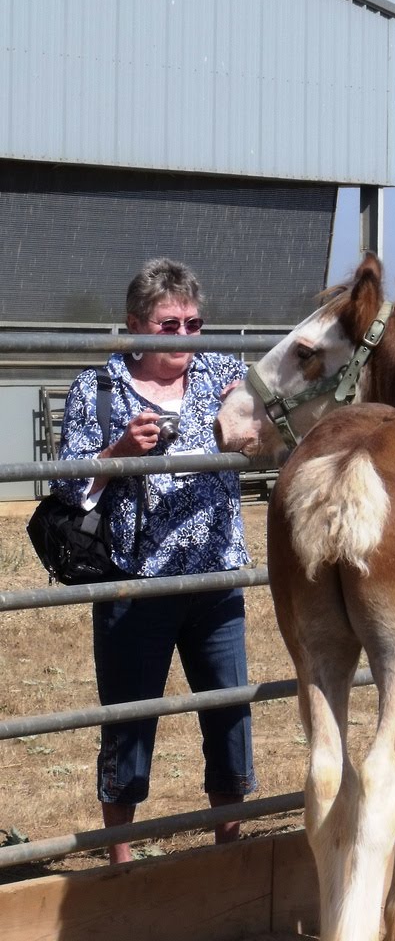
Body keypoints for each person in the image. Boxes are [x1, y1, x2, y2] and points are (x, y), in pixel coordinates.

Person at [52, 258, 257, 864]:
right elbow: (66, 488)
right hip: (133, 586)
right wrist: (118, 452)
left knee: (229, 714)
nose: (187, 338)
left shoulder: (223, 370)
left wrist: (250, 414)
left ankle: (229, 851)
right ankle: (122, 861)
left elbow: (273, 429)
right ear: (135, 325)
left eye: (195, 324)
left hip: (218, 574)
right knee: (130, 720)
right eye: (170, 326)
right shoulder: (99, 388)